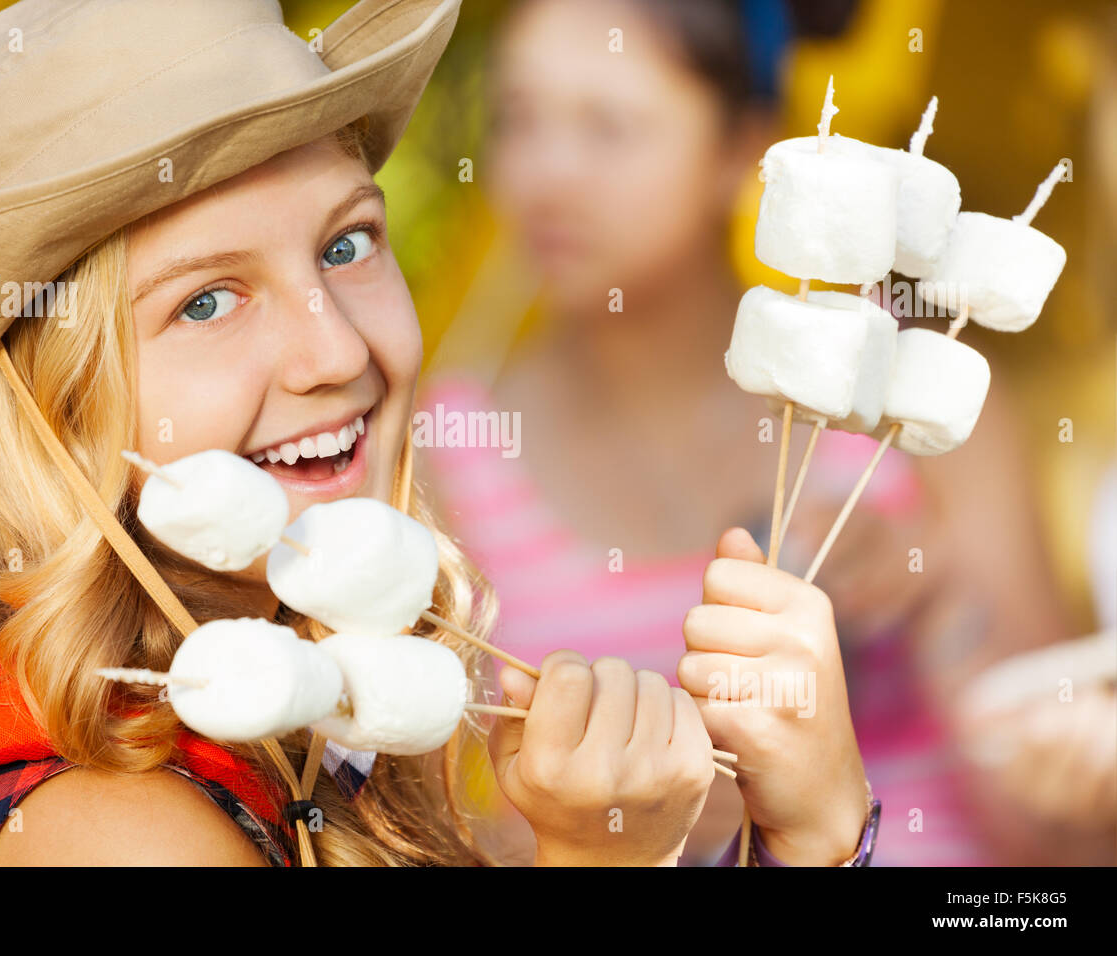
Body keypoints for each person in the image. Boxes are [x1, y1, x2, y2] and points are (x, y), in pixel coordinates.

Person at [0, 0, 873, 867]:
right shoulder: (112, 833)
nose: (333, 349)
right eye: (204, 301)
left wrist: (815, 836)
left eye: (346, 242)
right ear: (57, 417)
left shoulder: (318, 748)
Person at [420, 0, 1072, 865]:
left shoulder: (911, 397)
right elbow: (452, 831)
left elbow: (1067, 839)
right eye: (518, 119)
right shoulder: (447, 451)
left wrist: (936, 601)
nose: (547, 174)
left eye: (608, 127)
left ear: (743, 150)